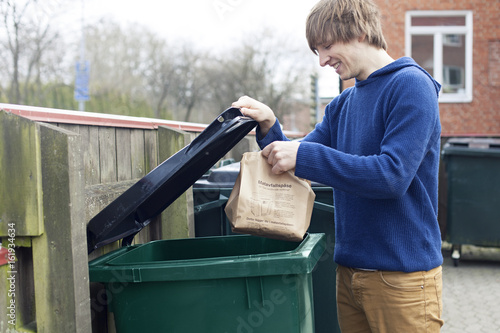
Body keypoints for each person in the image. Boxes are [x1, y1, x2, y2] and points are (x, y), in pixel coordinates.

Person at [232, 0, 444, 332]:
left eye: (327, 46)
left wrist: (303, 157)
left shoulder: (411, 86)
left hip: (402, 280)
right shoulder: (343, 103)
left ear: (360, 32)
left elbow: (392, 176)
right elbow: (302, 159)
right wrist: (269, 126)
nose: (322, 60)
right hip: (349, 275)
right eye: (317, 50)